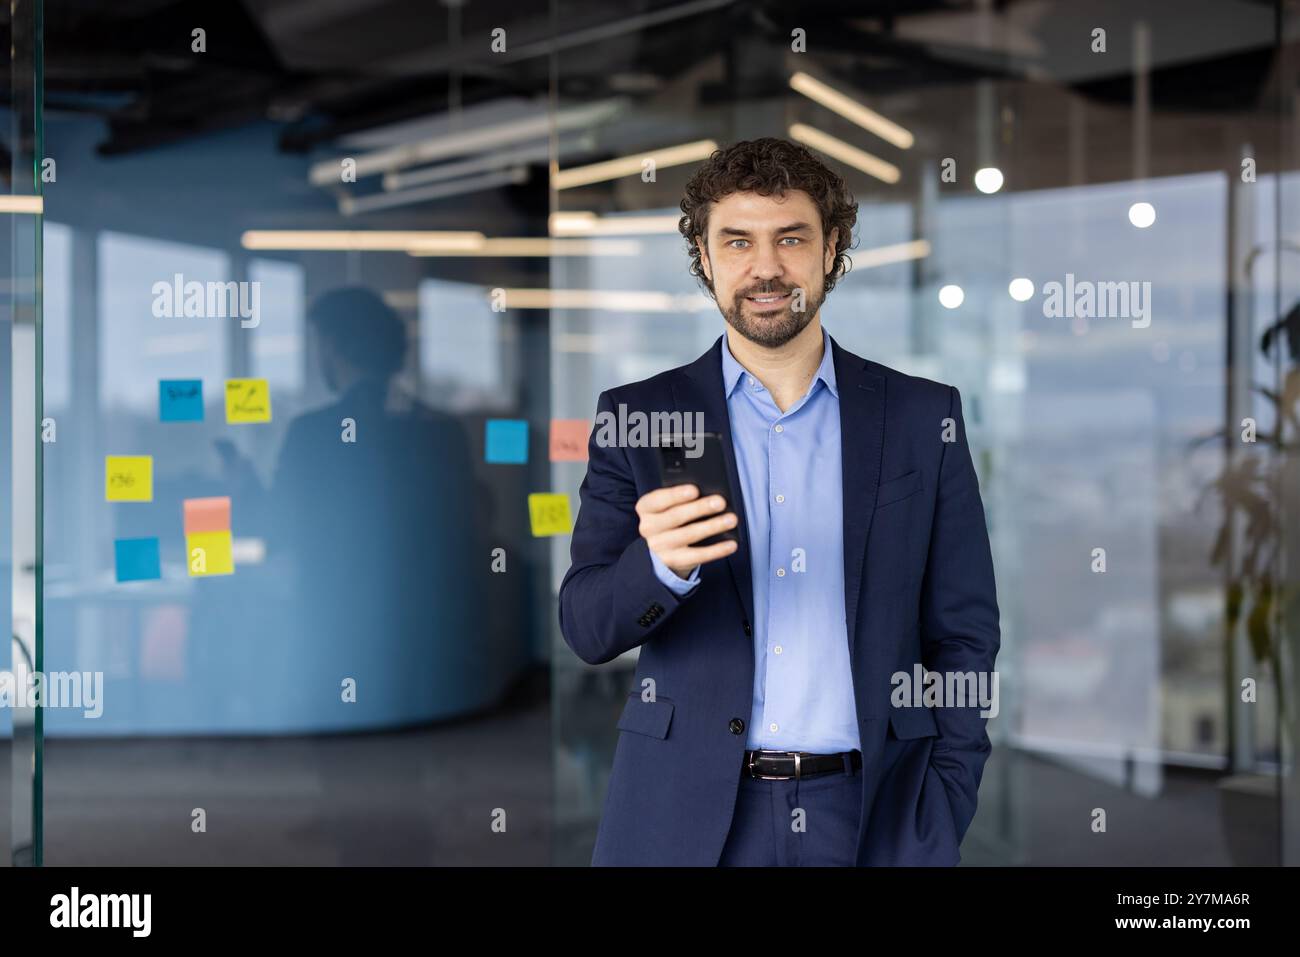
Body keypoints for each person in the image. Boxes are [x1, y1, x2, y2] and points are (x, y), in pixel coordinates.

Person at [558, 137, 1001, 866]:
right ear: (704, 258)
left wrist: (946, 797)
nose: (765, 267)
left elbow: (964, 631)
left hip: (875, 816)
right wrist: (659, 566)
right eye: (737, 241)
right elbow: (586, 626)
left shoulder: (923, 417)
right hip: (685, 818)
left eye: (791, 238)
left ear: (832, 250)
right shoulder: (641, 416)